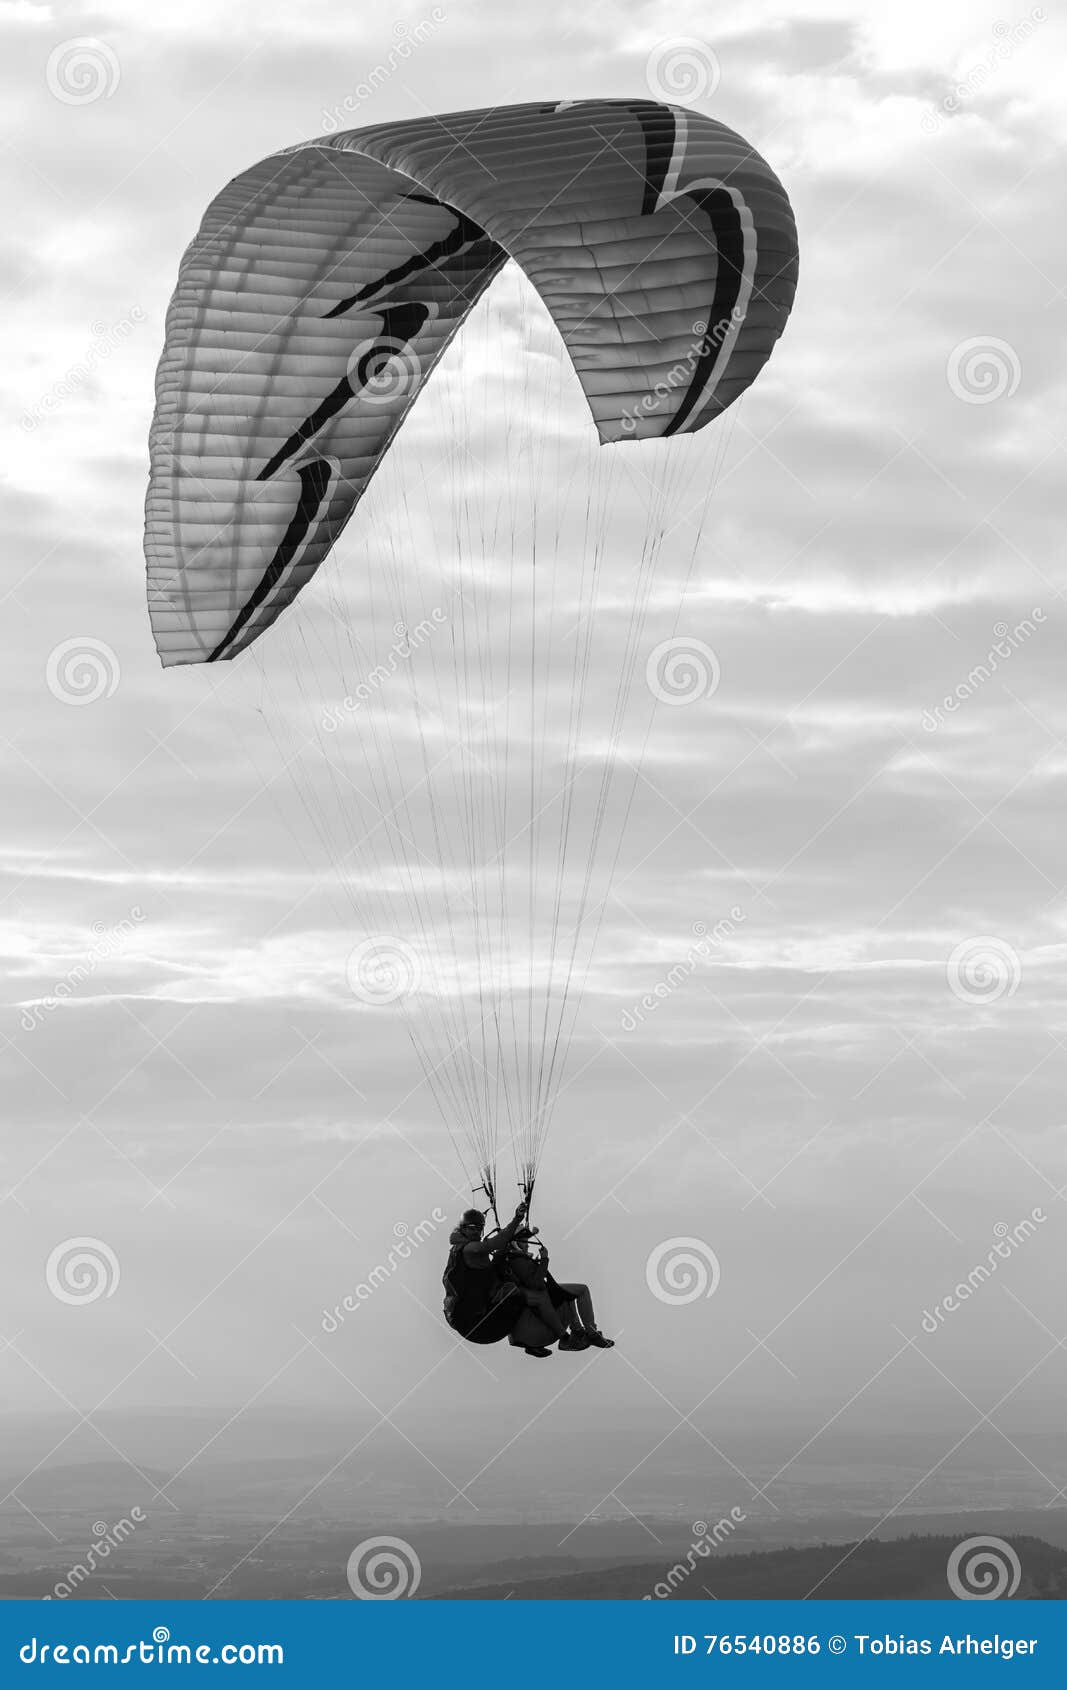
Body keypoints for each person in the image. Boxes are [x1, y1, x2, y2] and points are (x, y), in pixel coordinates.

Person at [443, 1205, 569, 1355]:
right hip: (474, 1323)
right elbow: (496, 1243)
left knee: (516, 1293)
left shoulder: (467, 1249)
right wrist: (517, 1218)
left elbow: (491, 1264)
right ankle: (565, 1338)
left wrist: (504, 1251)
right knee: (526, 1296)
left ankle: (531, 1342)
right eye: (472, 1228)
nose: (476, 1232)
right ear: (463, 1228)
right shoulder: (470, 1249)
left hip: (473, 1319)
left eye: (479, 1228)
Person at [506, 1237, 614, 1351]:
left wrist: (537, 1264)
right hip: (535, 1296)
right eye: (525, 1242)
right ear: (516, 1243)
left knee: (569, 1294)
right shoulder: (516, 1258)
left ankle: (577, 1330)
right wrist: (544, 1259)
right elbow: (535, 1283)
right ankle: (591, 1334)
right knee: (582, 1290)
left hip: (534, 1295)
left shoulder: (515, 1256)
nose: (528, 1245)